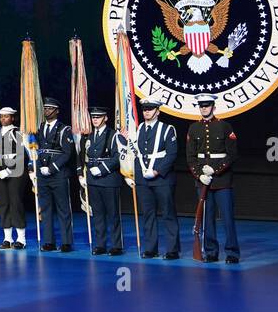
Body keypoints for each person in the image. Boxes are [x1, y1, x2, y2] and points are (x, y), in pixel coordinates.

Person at [186, 94, 239, 264]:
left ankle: (232, 252)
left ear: (213, 107)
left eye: (207, 106)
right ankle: (211, 251)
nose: (204, 108)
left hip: (222, 181)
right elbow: (190, 156)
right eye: (201, 106)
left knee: (227, 217)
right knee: (207, 218)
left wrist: (215, 170)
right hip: (202, 181)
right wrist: (200, 174)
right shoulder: (193, 128)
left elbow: (232, 154)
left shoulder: (224, 126)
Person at [134, 97, 180, 259]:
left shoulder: (168, 129)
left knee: (168, 213)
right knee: (148, 214)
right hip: (143, 179)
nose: (146, 111)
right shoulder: (139, 128)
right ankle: (151, 248)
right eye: (145, 108)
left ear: (158, 111)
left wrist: (157, 171)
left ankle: (172, 249)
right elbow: (136, 152)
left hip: (162, 179)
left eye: (150, 108)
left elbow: (172, 154)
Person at [81, 106, 124, 255]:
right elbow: (84, 156)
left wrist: (102, 168)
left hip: (109, 179)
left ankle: (116, 245)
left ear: (105, 118)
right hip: (93, 180)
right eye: (93, 117)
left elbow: (118, 157)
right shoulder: (89, 136)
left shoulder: (113, 135)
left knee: (113, 214)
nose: (95, 120)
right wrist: (83, 174)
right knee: (98, 214)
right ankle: (100, 244)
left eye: (98, 117)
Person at [34, 97, 75, 252]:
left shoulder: (65, 129)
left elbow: (67, 153)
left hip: (58, 174)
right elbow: (37, 149)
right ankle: (49, 241)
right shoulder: (40, 127)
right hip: (42, 174)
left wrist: (52, 167)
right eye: (45, 108)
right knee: (45, 209)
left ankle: (66, 242)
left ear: (57, 111)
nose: (47, 111)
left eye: (50, 108)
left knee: (63, 209)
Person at [0, 107, 28, 249]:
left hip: (15, 172)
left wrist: (8, 170)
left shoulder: (17, 132)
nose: (3, 119)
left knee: (16, 203)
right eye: (1, 117)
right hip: (0, 172)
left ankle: (21, 239)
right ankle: (7, 238)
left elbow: (22, 155)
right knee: (3, 204)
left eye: (6, 117)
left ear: (12, 118)